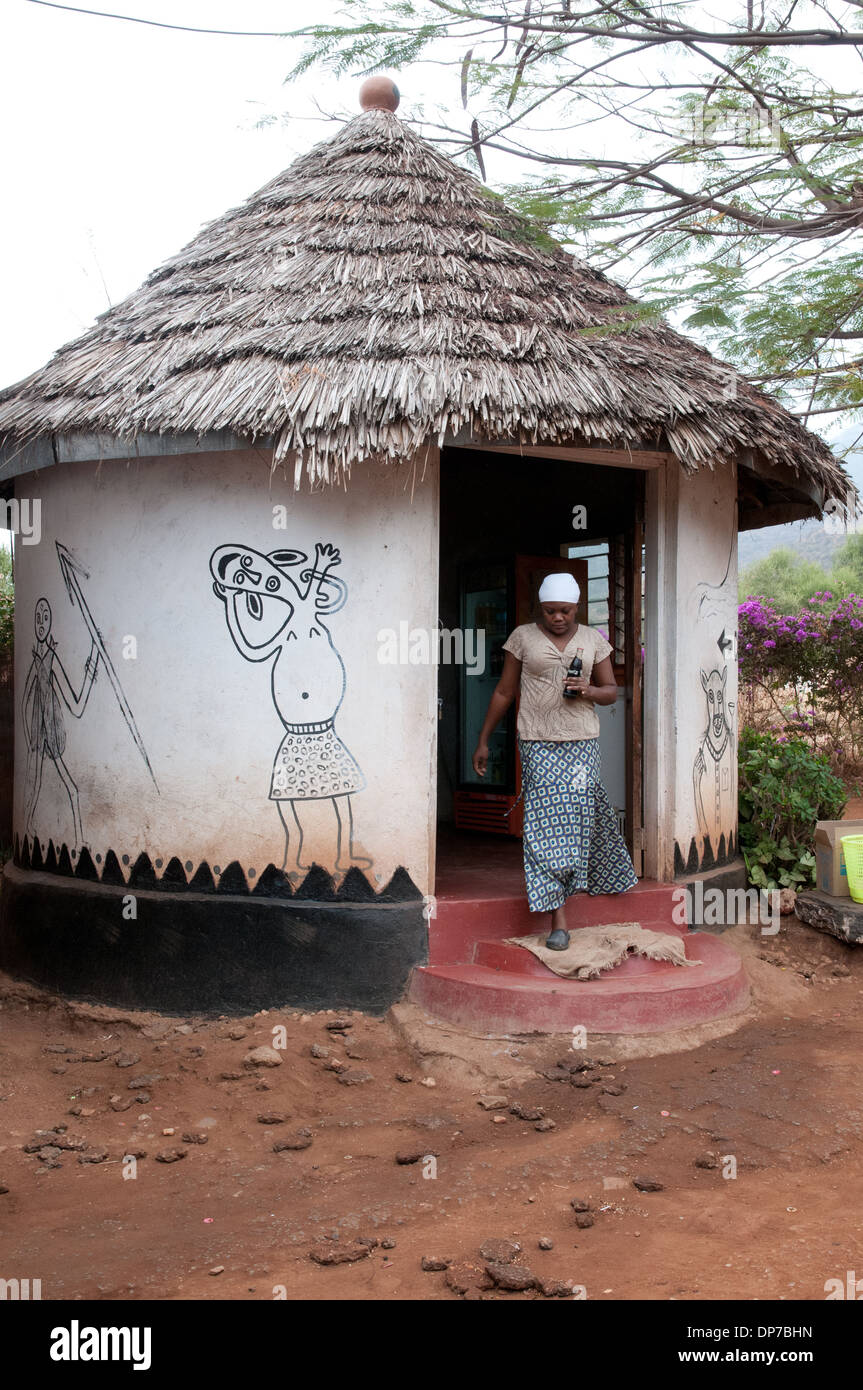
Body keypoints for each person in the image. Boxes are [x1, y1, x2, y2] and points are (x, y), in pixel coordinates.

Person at [472, 572, 637, 950]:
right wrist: (483, 741)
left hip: (582, 744)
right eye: (549, 611)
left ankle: (588, 880)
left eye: (564, 611)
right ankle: (557, 917)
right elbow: (504, 690)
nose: (557, 617)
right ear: (539, 608)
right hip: (537, 742)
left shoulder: (593, 640)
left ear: (576, 607)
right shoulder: (522, 638)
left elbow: (611, 691)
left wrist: (590, 690)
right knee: (545, 821)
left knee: (579, 816)